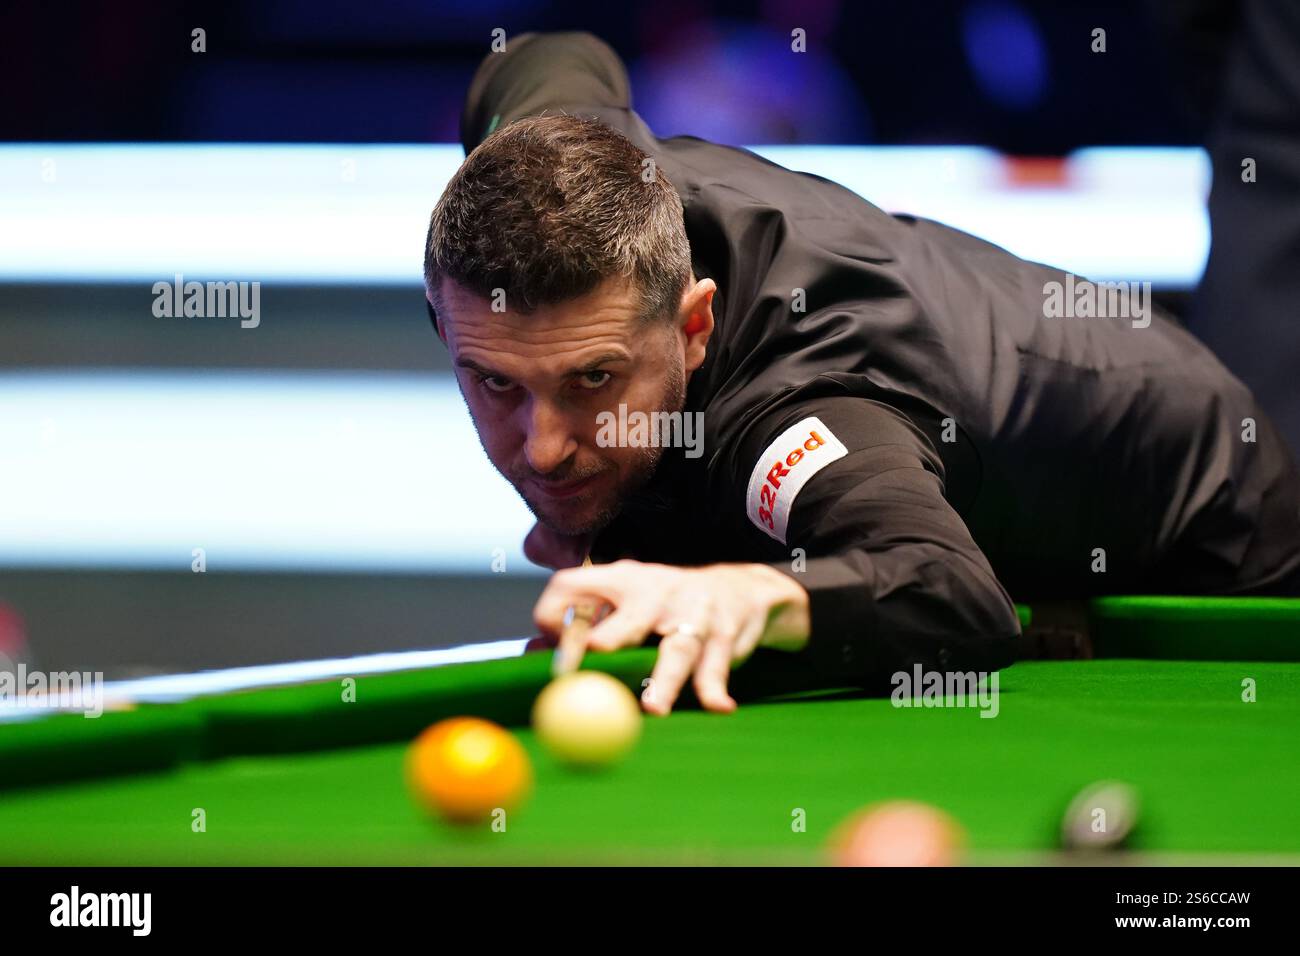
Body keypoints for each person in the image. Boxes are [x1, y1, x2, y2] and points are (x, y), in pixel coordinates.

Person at [423, 32, 1300, 715]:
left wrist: (742, 591)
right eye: (496, 383)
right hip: (977, 472)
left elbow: (952, 596)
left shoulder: (798, 404)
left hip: (1204, 525)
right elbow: (554, 56)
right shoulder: (568, 161)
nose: (540, 449)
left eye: (591, 381)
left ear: (694, 325)